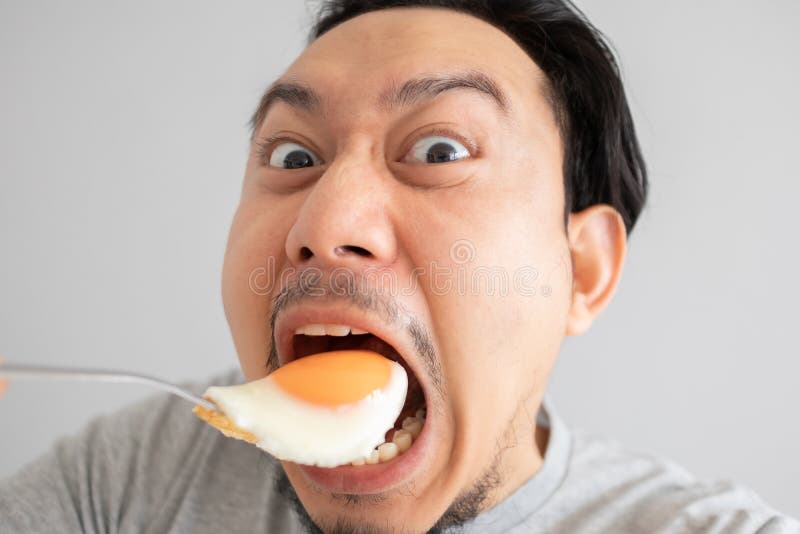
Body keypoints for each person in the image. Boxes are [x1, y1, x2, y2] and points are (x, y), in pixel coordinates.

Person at [1, 1, 798, 533]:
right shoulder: (131, 481)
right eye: (292, 155)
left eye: (440, 149)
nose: (324, 223)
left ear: (582, 270)